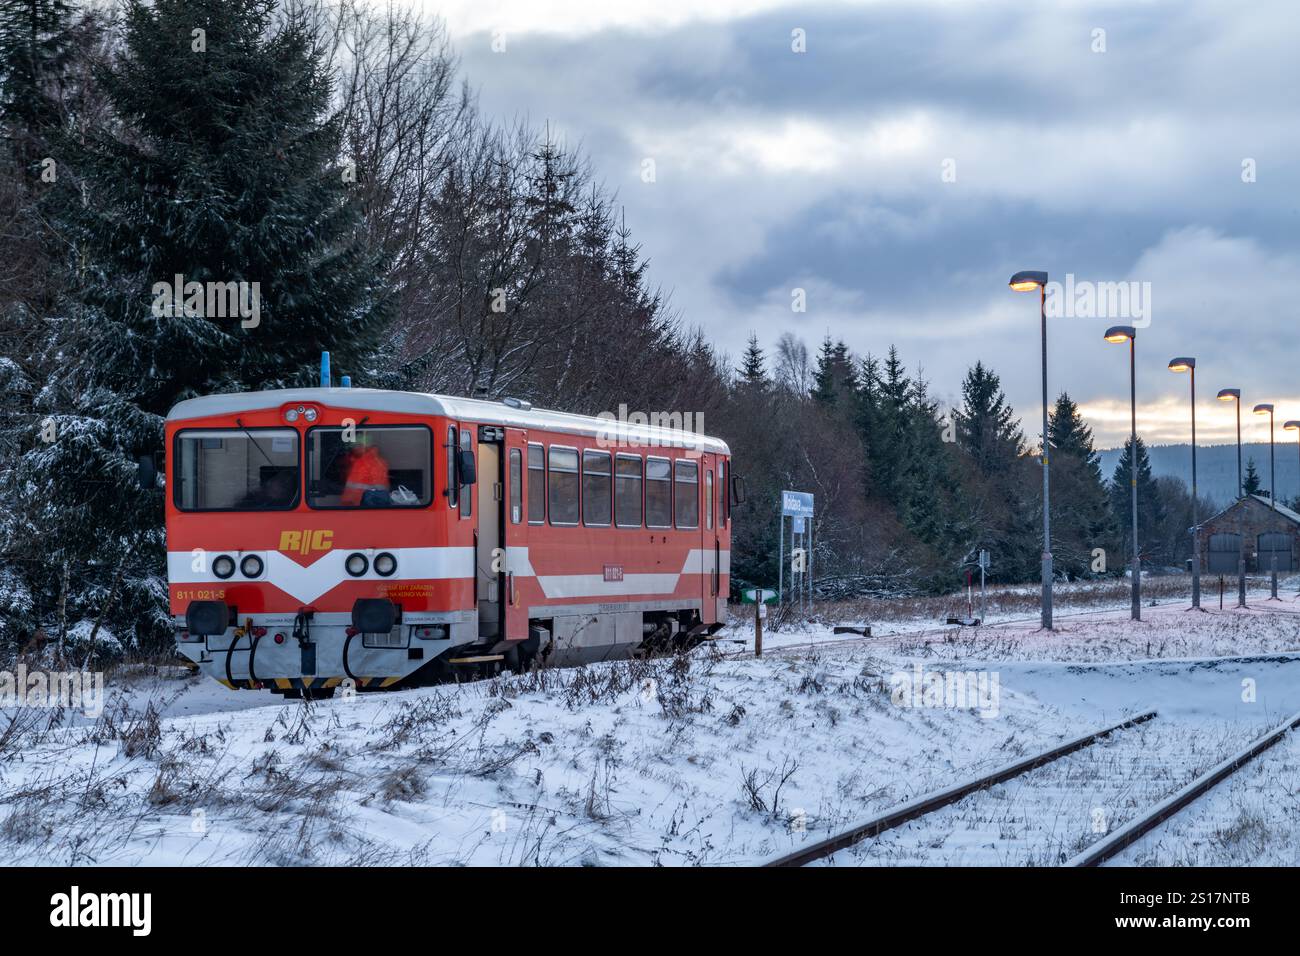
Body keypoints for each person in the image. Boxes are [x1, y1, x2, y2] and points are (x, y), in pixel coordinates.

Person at [340, 434, 390, 506]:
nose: (354, 448)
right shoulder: (359, 461)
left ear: (364, 446)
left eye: (357, 445)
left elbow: (377, 490)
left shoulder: (372, 463)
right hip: (355, 507)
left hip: (362, 508)